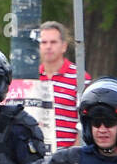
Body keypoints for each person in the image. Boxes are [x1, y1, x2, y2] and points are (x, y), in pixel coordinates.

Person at [37, 21, 90, 150]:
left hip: (68, 159)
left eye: (53, 42)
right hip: (35, 157)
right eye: (44, 42)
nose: (48, 46)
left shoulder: (80, 78)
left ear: (64, 46)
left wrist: (72, 154)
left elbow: (87, 120)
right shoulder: (31, 78)